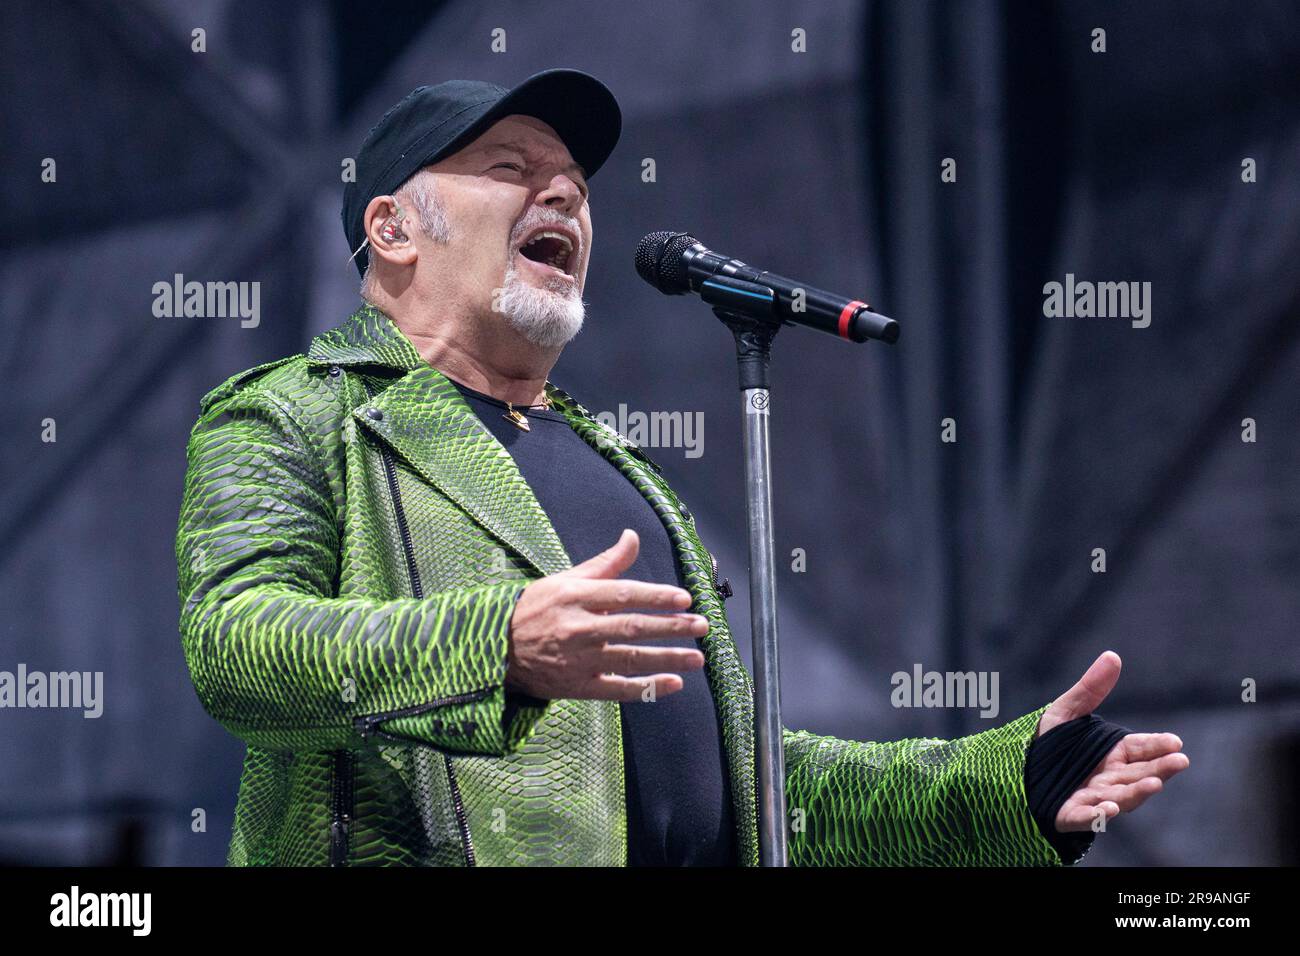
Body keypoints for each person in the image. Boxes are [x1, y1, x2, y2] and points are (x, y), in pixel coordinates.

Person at [175, 69, 1188, 866]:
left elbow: (742, 781)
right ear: (392, 227)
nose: (564, 189)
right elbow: (233, 643)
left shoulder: (614, 466)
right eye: (509, 165)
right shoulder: (300, 410)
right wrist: (497, 642)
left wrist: (1005, 782)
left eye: (574, 180)